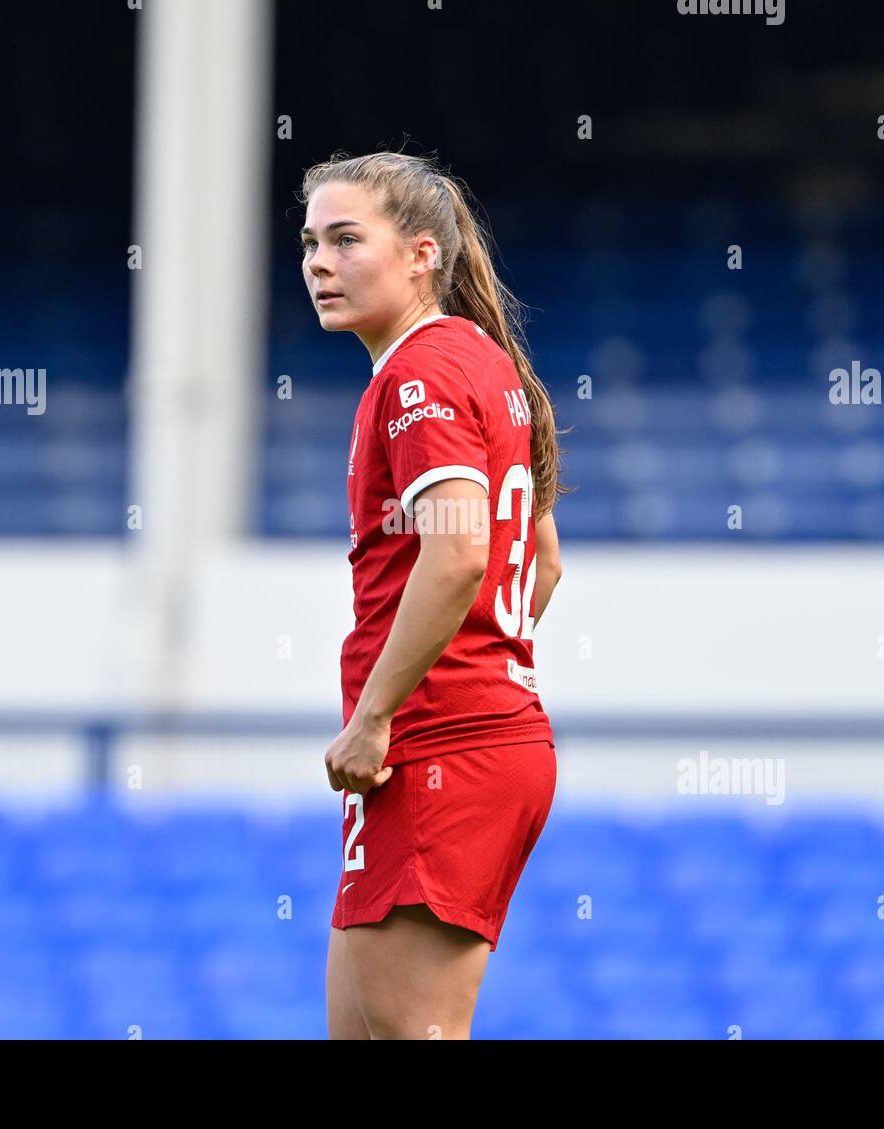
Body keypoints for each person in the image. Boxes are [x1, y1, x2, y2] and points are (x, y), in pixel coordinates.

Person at [298, 151, 569, 1039]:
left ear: (421, 255)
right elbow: (542, 563)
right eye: (309, 243)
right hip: (461, 738)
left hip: (443, 744)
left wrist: (377, 713)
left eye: (346, 239)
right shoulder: (481, 365)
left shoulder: (424, 373)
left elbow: (456, 555)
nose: (318, 263)